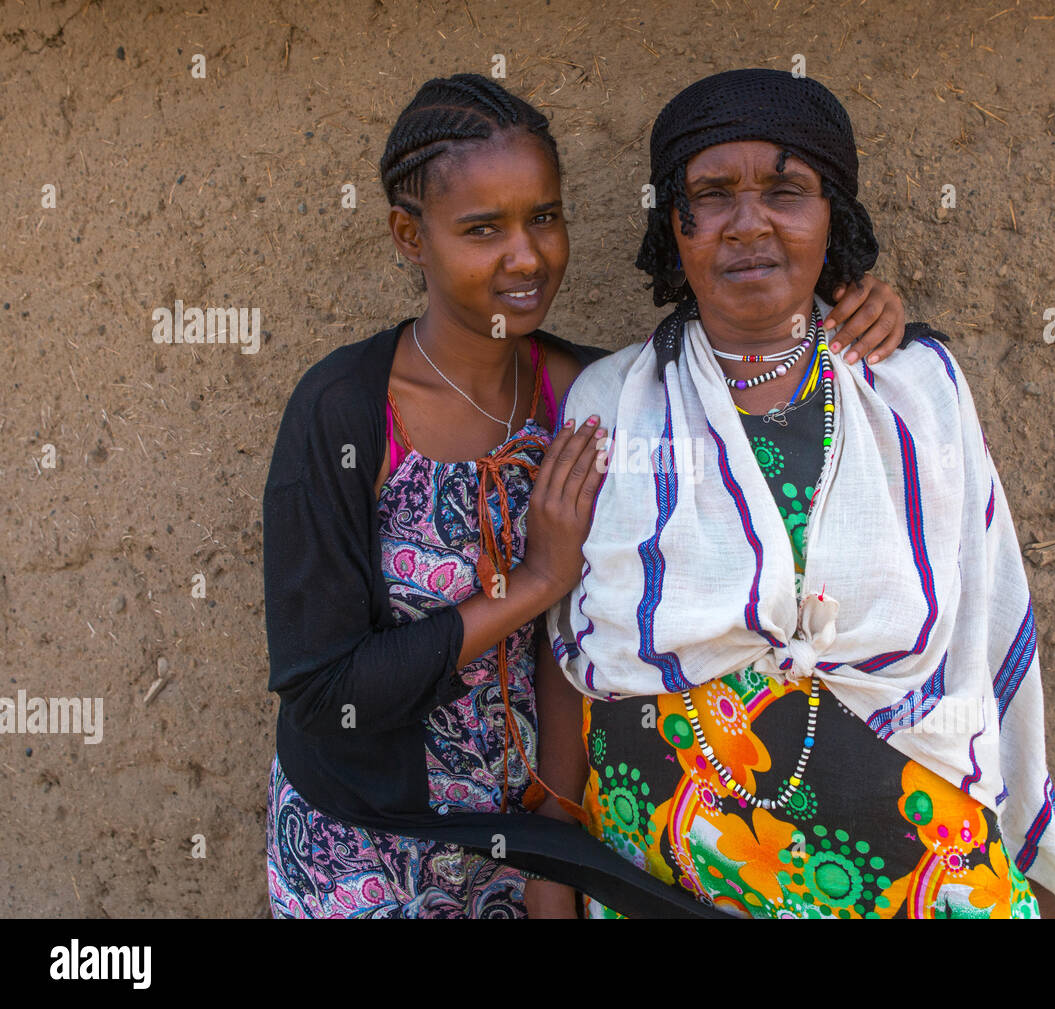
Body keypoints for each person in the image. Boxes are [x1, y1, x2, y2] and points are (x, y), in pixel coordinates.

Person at [262, 73, 913, 918]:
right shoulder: (347, 413)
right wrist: (535, 583)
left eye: (544, 216)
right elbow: (324, 691)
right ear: (408, 235)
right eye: (482, 228)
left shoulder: (594, 396)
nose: (527, 255)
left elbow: (742, 382)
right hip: (367, 847)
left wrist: (852, 310)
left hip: (542, 841)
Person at [542, 68, 1055, 919]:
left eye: (786, 191)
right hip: (674, 870)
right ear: (676, 225)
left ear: (831, 213)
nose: (749, 222)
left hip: (904, 861)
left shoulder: (913, 389)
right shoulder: (613, 403)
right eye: (714, 193)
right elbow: (575, 637)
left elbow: (985, 613)